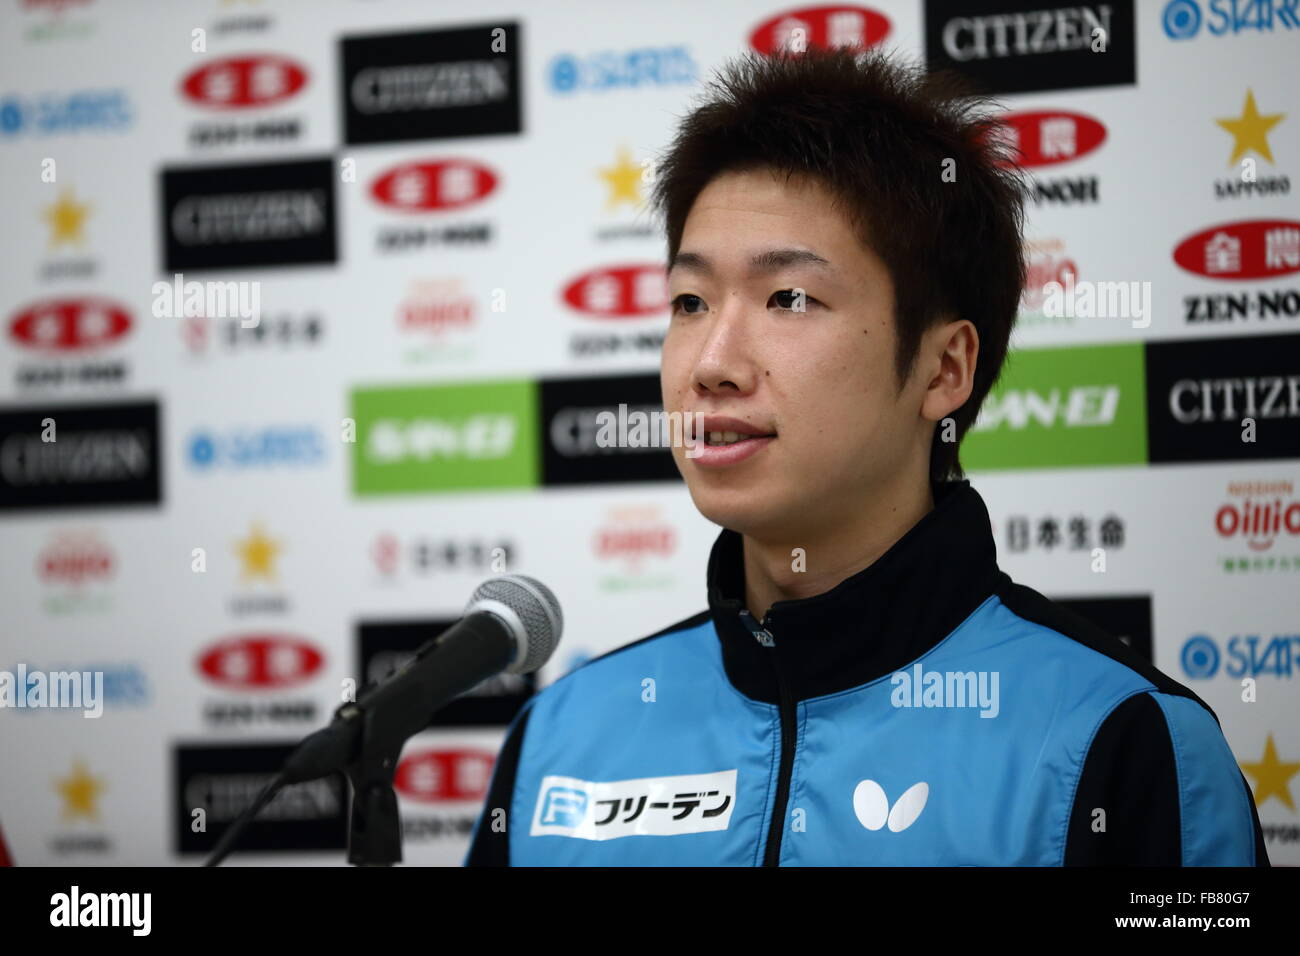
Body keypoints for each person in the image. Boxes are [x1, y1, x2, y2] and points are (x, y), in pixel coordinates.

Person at [465, 46, 1268, 866]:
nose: (712, 362)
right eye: (689, 301)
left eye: (790, 298)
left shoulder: (1119, 738)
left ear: (944, 368)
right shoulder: (561, 738)